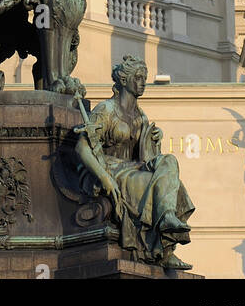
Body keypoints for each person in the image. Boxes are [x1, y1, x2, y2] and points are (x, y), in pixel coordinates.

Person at [75, 54, 194, 269]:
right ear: (123, 80)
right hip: (110, 170)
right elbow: (82, 147)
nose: (143, 82)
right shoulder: (106, 110)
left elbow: (145, 158)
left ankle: (166, 227)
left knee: (169, 162)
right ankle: (162, 249)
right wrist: (105, 179)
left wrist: (153, 141)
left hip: (132, 168)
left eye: (145, 78)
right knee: (155, 185)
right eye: (138, 77)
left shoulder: (141, 116)